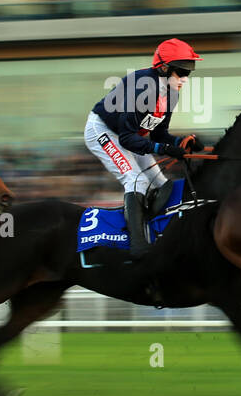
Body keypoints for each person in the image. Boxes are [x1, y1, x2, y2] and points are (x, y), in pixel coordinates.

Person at [85, 39, 201, 258]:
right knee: (137, 180)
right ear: (164, 68)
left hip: (129, 134)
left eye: (189, 72)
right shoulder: (143, 89)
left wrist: (180, 142)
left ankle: (151, 229)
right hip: (103, 130)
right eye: (182, 71)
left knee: (162, 184)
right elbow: (128, 139)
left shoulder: (172, 92)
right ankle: (137, 245)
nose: (185, 78)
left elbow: (158, 134)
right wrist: (164, 148)